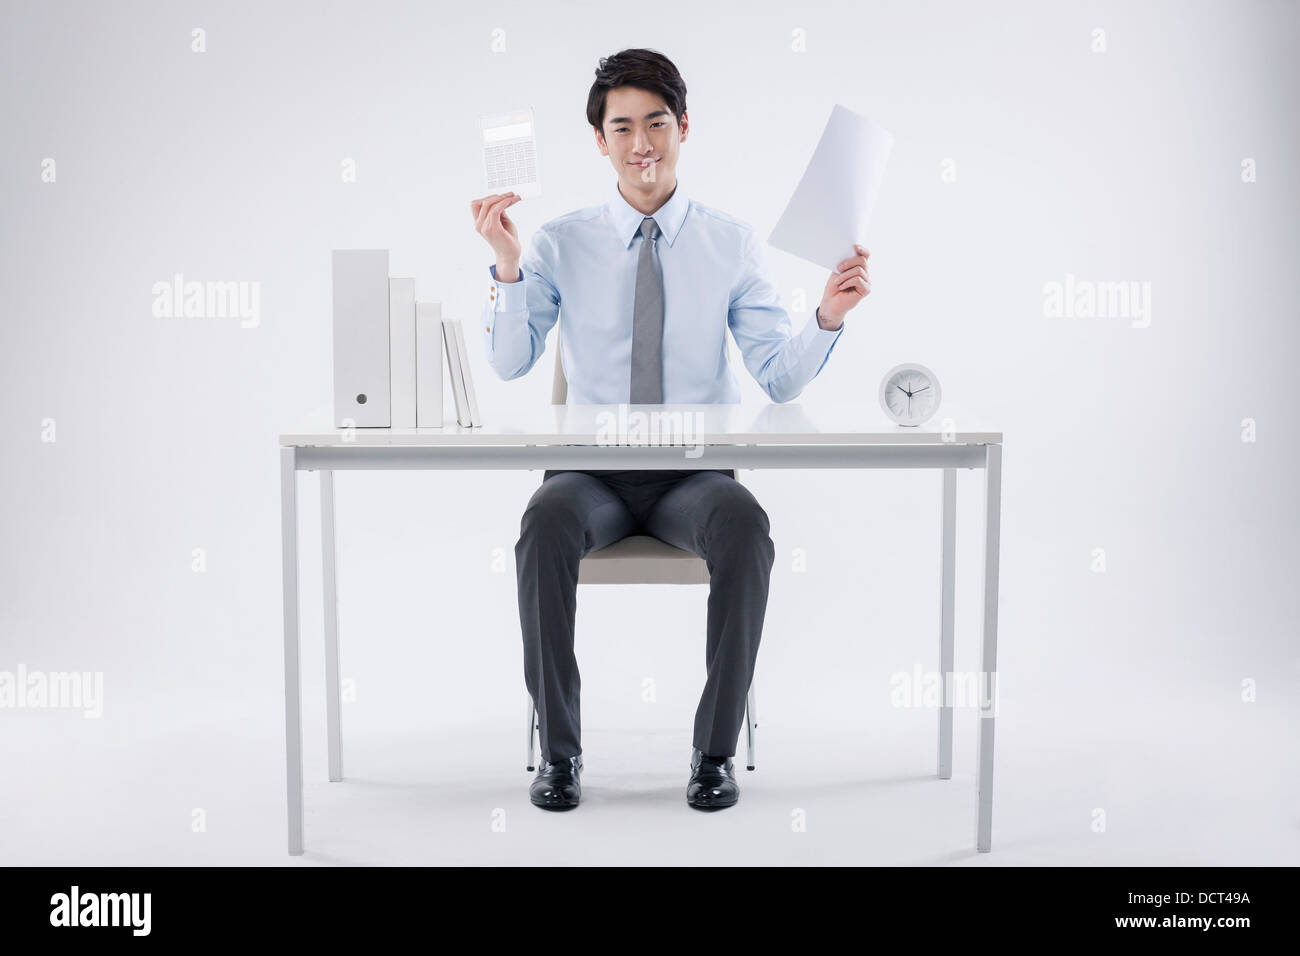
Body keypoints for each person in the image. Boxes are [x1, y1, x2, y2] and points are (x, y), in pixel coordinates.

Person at [469, 48, 872, 812]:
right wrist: (508, 267)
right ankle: (559, 755)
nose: (641, 143)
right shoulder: (560, 241)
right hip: (591, 477)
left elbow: (778, 377)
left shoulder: (729, 242)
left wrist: (827, 317)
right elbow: (512, 362)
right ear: (600, 142)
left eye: (657, 122)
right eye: (622, 128)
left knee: (747, 527)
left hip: (695, 476)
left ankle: (713, 753)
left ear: (683, 127)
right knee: (543, 524)